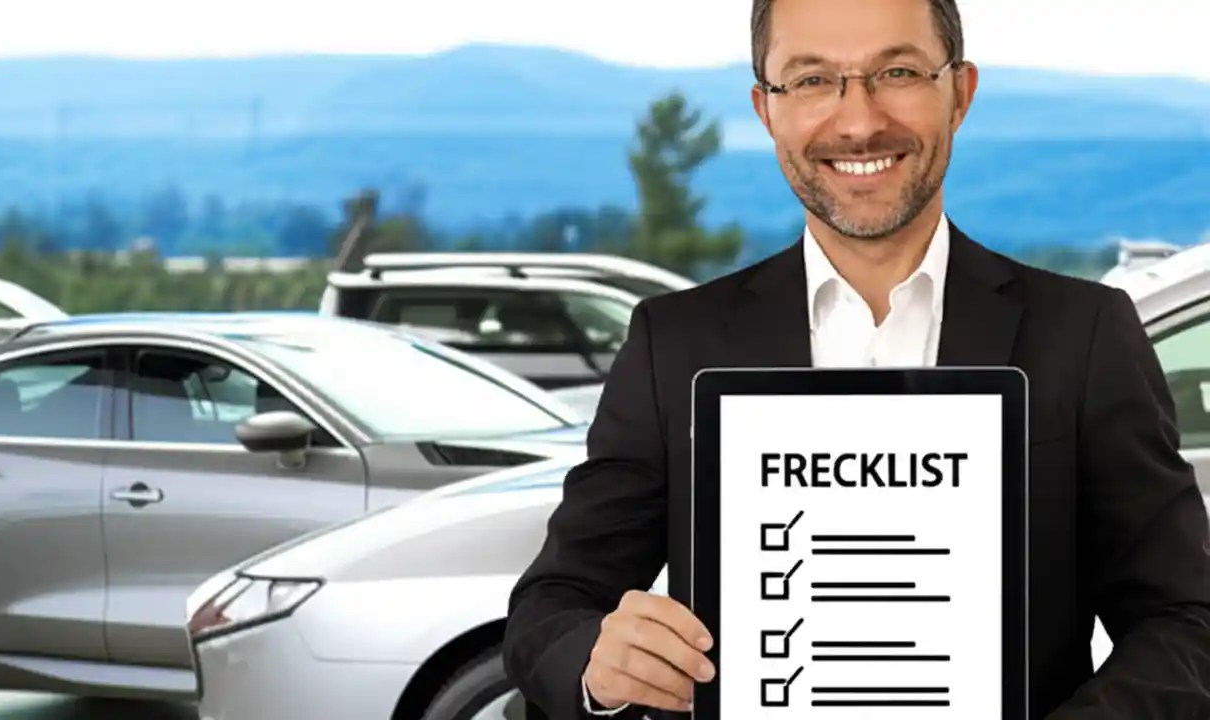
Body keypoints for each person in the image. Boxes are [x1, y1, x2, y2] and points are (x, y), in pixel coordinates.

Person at [502, 0, 1210, 717]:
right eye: (812, 81)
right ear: (766, 109)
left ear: (959, 93)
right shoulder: (674, 345)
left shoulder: (1084, 334)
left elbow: (1187, 620)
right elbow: (553, 607)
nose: (859, 120)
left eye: (897, 71)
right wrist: (598, 666)